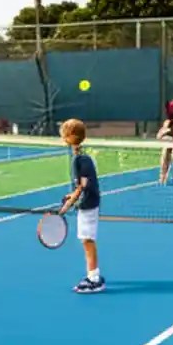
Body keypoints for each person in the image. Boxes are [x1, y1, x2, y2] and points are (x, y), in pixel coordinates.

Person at [58, 118, 104, 294]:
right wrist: (72, 196)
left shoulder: (80, 160)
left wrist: (67, 205)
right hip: (88, 202)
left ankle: (94, 279)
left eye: (64, 134)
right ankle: (93, 274)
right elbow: (83, 184)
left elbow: (83, 186)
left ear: (70, 137)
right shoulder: (81, 157)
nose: (62, 137)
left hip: (88, 204)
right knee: (86, 240)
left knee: (87, 241)